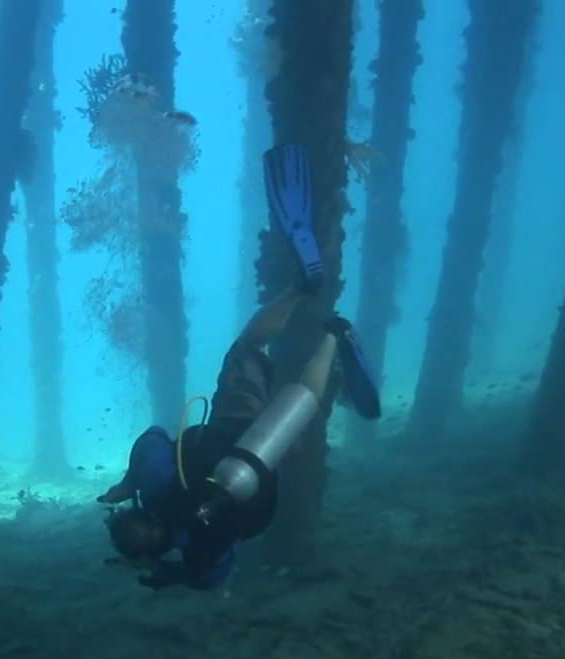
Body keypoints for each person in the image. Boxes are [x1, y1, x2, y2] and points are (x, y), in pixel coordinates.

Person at [96, 144, 380, 591]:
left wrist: (162, 574)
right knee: (247, 348)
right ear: (137, 509)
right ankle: (301, 289)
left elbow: (212, 577)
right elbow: (152, 437)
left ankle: (334, 337)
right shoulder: (151, 485)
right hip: (236, 435)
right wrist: (129, 480)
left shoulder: (195, 549)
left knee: (303, 400)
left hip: (267, 473)